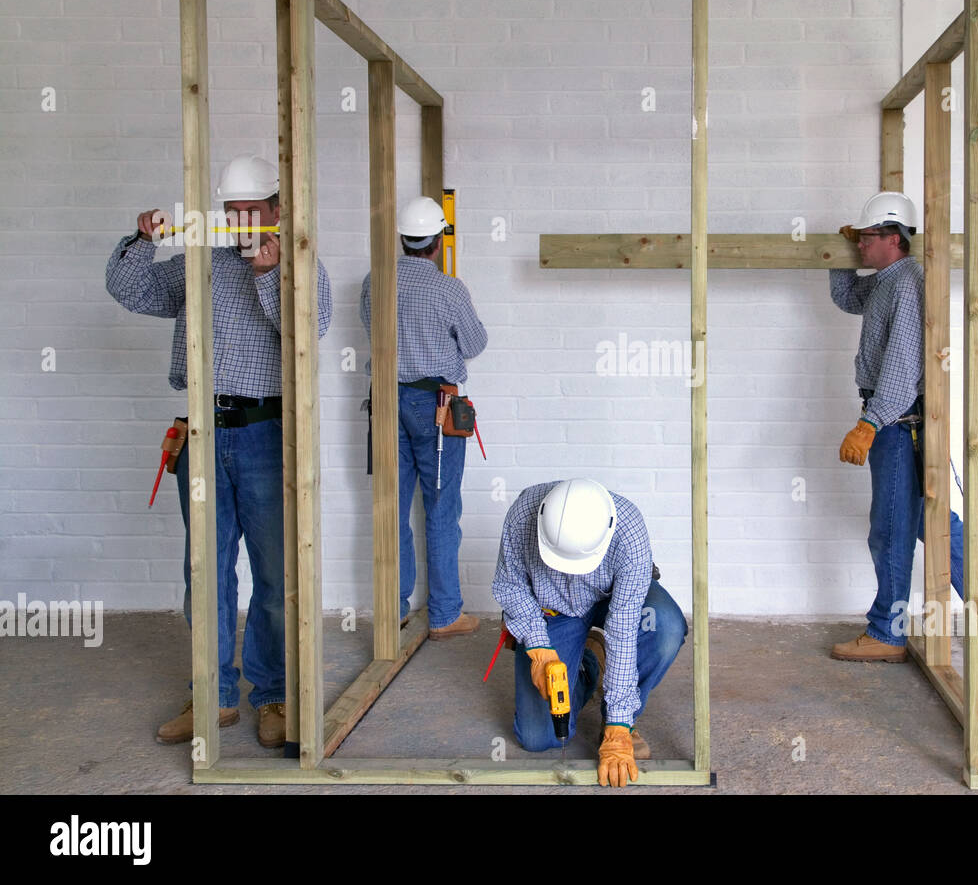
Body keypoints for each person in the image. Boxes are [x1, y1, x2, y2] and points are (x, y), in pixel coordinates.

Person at [106, 153, 332, 748]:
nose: (241, 224)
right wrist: (142, 238)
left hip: (265, 435)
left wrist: (270, 274)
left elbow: (313, 327)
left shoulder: (298, 262)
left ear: (278, 209)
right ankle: (214, 694)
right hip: (203, 433)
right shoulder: (199, 263)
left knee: (273, 572)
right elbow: (129, 290)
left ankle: (275, 693)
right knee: (203, 571)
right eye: (232, 212)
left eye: (252, 211)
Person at [827, 190, 978, 662]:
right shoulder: (887, 280)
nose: (861, 244)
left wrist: (869, 423)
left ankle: (887, 633)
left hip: (900, 425)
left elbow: (902, 367)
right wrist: (841, 256)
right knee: (929, 520)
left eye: (867, 237)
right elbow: (846, 297)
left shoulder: (905, 285)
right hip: (897, 423)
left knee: (890, 529)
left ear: (893, 238)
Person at [492, 478, 686, 788]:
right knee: (537, 737)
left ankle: (621, 718)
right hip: (555, 609)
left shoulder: (629, 530)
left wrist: (617, 725)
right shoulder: (524, 513)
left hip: (616, 602)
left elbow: (623, 627)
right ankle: (590, 666)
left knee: (664, 626)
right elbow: (510, 585)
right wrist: (540, 650)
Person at [361, 196, 486, 638]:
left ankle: (392, 608)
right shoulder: (448, 290)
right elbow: (474, 344)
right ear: (437, 243)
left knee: (391, 506)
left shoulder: (374, 282)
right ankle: (446, 614)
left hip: (386, 401)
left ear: (403, 239)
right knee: (441, 508)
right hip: (435, 407)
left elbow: (371, 328)